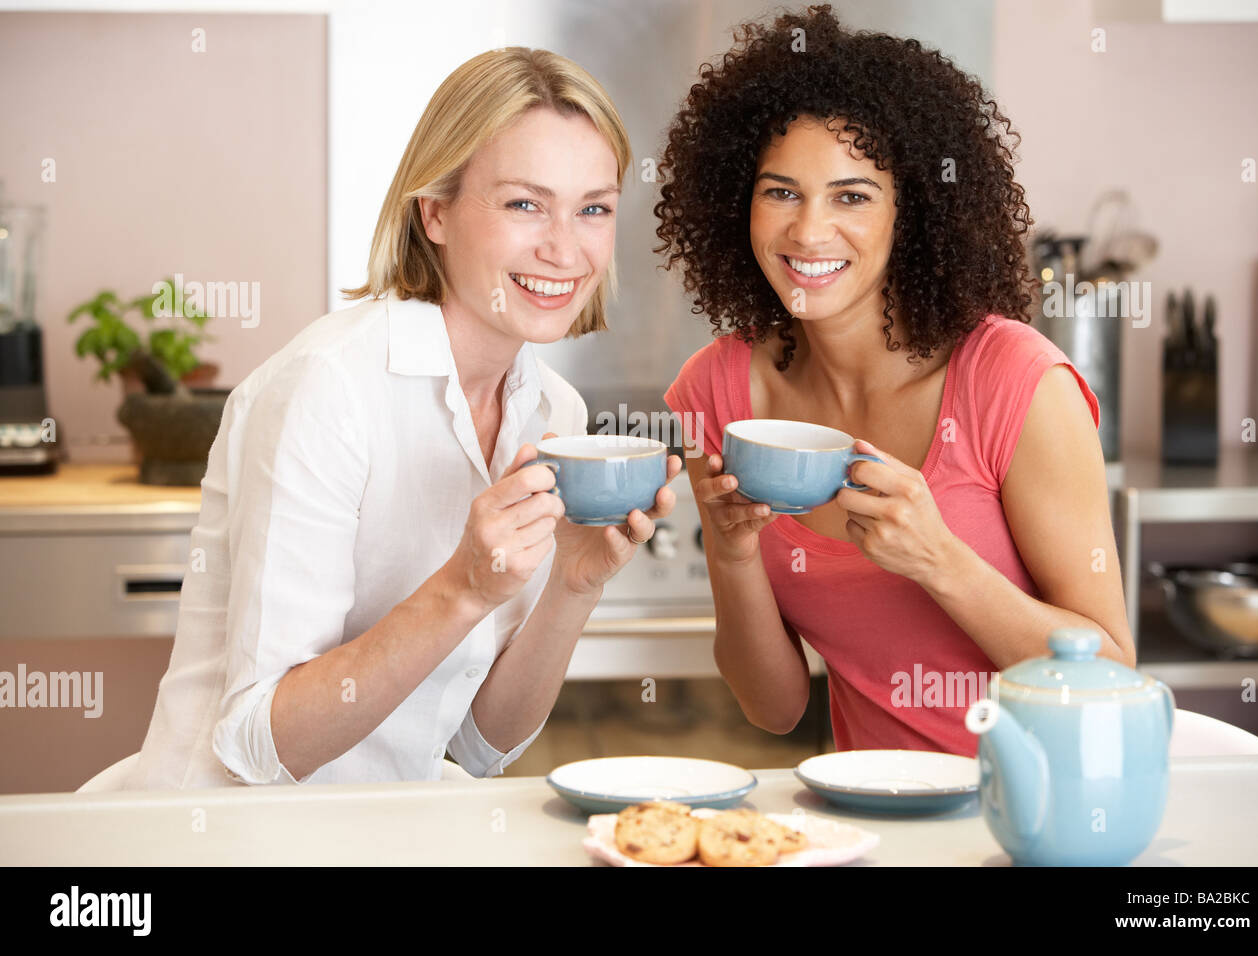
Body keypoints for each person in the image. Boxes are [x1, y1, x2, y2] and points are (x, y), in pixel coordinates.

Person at [126, 47, 679, 789]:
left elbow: (483, 746)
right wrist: (463, 589)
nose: (563, 246)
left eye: (593, 209)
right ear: (436, 212)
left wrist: (573, 587)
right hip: (234, 837)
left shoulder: (553, 411)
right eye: (524, 203)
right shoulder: (329, 391)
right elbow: (259, 746)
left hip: (393, 830)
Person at [657, 5, 1133, 757]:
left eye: (852, 196)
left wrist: (940, 561)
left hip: (1043, 822)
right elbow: (773, 707)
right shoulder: (718, 393)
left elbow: (1112, 676)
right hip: (870, 825)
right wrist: (732, 550)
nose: (809, 232)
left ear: (910, 214)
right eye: (781, 191)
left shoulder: (1014, 381)